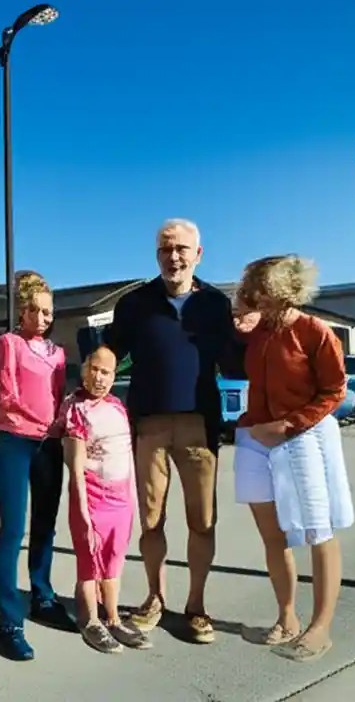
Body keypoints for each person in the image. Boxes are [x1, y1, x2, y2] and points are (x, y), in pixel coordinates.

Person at [106, 218, 242, 644]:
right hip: (149, 426)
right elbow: (110, 351)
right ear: (156, 255)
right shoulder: (134, 304)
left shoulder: (216, 305)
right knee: (151, 521)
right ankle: (153, 598)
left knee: (202, 521)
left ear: (198, 254)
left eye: (182, 248)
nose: (174, 256)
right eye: (166, 249)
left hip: (199, 425)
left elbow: (235, 362)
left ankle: (197, 607)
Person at [231, 254, 349, 663]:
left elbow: (335, 390)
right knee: (272, 536)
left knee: (319, 530)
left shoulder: (315, 331)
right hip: (253, 438)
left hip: (303, 437)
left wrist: (291, 424)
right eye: (252, 287)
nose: (254, 294)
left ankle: (321, 626)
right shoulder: (258, 331)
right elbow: (234, 324)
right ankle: (287, 618)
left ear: (283, 288)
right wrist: (243, 314)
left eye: (261, 287)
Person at [0, 270, 77, 661]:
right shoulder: (9, 343)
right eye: (36, 311)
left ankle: (42, 597)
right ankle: (9, 621)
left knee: (46, 523)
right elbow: (8, 395)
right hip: (13, 440)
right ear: (22, 311)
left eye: (48, 312)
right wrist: (43, 421)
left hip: (48, 444)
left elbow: (58, 397)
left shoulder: (58, 354)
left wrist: (62, 422)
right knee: (13, 529)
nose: (43, 319)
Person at [52, 345, 152, 654]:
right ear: (84, 372)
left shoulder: (118, 407)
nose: (99, 377)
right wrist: (82, 511)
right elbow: (76, 467)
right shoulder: (75, 408)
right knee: (89, 560)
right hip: (92, 496)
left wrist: (133, 499)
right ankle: (91, 620)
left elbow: (128, 456)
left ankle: (112, 617)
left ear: (113, 376)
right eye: (94, 369)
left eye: (106, 372)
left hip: (121, 497)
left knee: (113, 560)